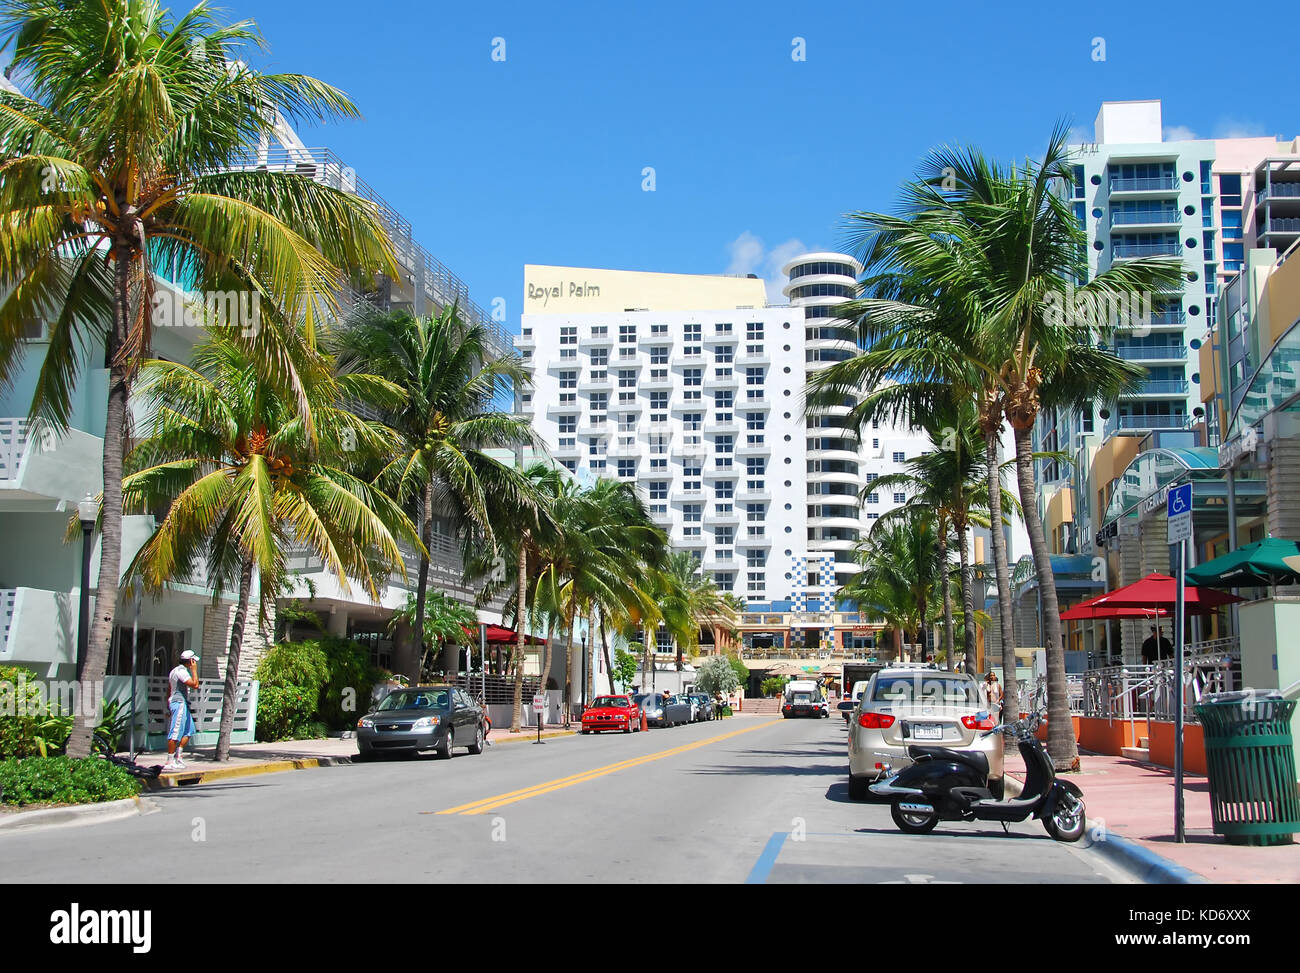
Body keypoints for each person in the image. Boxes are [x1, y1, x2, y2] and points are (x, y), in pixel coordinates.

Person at [164, 650, 199, 771]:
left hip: (180, 703)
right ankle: (169, 760)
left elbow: (169, 689)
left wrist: (167, 704)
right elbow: (195, 685)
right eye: (193, 661)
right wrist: (194, 670)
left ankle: (178, 756)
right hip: (179, 703)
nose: (194, 663)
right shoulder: (181, 672)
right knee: (176, 731)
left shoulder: (174, 671)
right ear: (190, 661)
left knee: (189, 730)